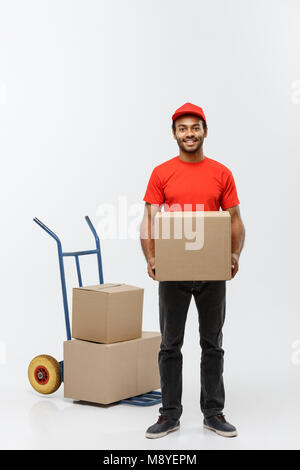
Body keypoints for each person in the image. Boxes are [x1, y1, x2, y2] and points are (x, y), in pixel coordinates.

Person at [139, 102, 245, 439]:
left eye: (195, 128)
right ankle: (169, 414)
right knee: (170, 345)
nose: (189, 134)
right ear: (174, 134)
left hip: (212, 272)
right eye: (183, 128)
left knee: (212, 344)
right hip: (173, 272)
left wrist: (233, 254)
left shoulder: (222, 172)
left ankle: (213, 413)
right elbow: (149, 219)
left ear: (205, 131)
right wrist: (151, 258)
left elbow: (234, 219)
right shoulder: (161, 172)